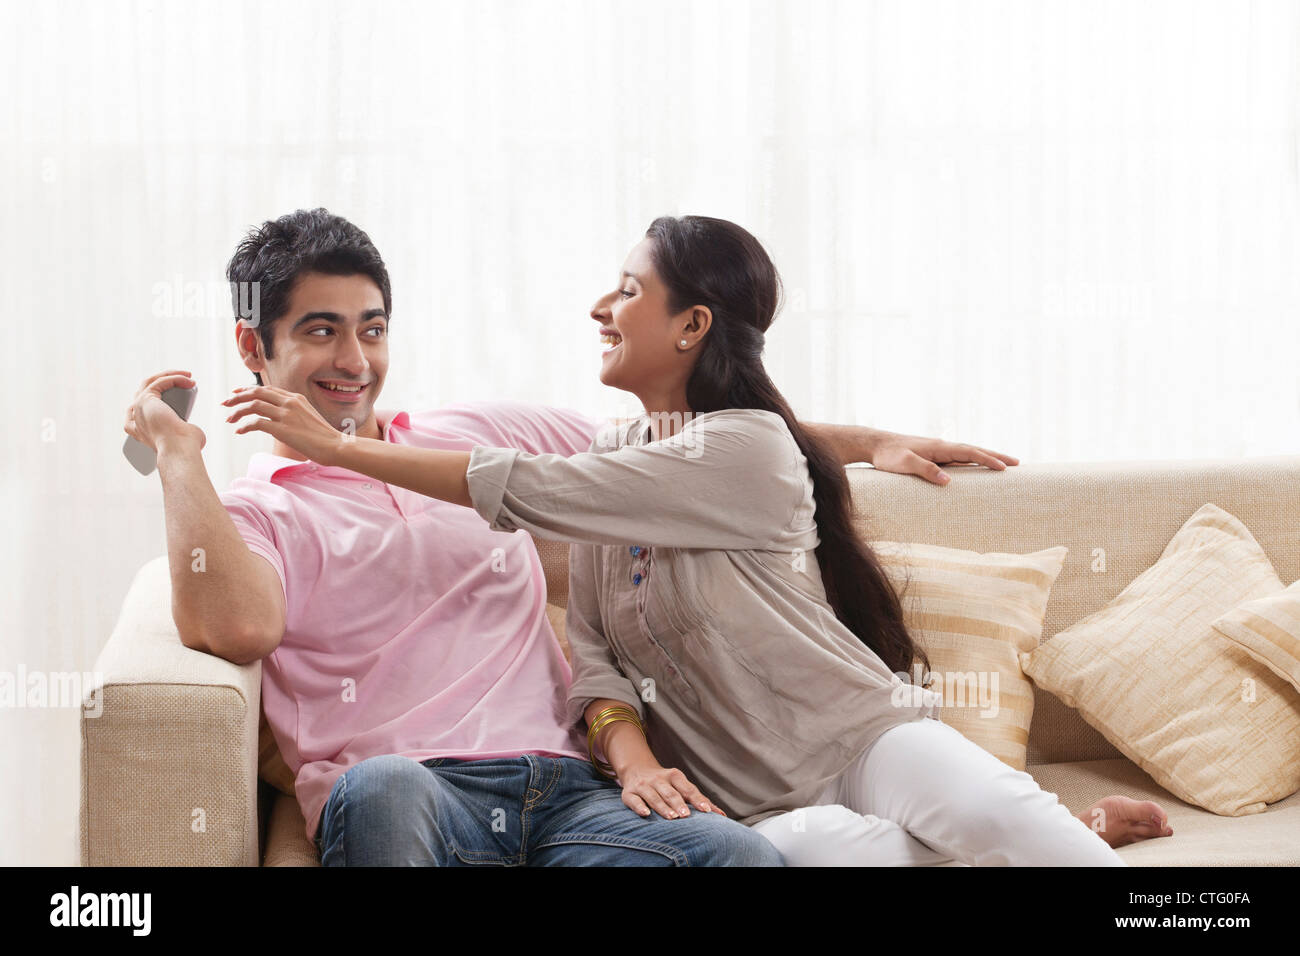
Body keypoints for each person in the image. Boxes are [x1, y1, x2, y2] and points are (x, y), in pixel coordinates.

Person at [223, 213, 1175, 866]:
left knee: (993, 813)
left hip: (852, 738)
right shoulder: (608, 465)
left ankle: (1059, 846)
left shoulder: (744, 448)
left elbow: (532, 487)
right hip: (756, 800)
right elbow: (592, 662)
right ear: (255, 346)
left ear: (691, 325)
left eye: (626, 291)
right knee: (779, 858)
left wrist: (340, 450)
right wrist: (632, 762)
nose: (600, 308)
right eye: (323, 332)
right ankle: (1043, 841)